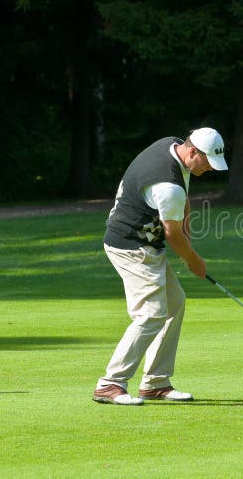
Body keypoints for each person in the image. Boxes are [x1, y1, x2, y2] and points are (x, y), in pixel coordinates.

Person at [93, 127, 228, 405]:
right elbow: (172, 234)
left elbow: (183, 208)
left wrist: (189, 246)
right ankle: (110, 383)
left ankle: (155, 382)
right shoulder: (168, 186)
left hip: (145, 242)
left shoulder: (173, 147)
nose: (210, 170)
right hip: (130, 246)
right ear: (193, 152)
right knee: (151, 314)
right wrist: (195, 261)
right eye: (208, 163)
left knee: (174, 302)